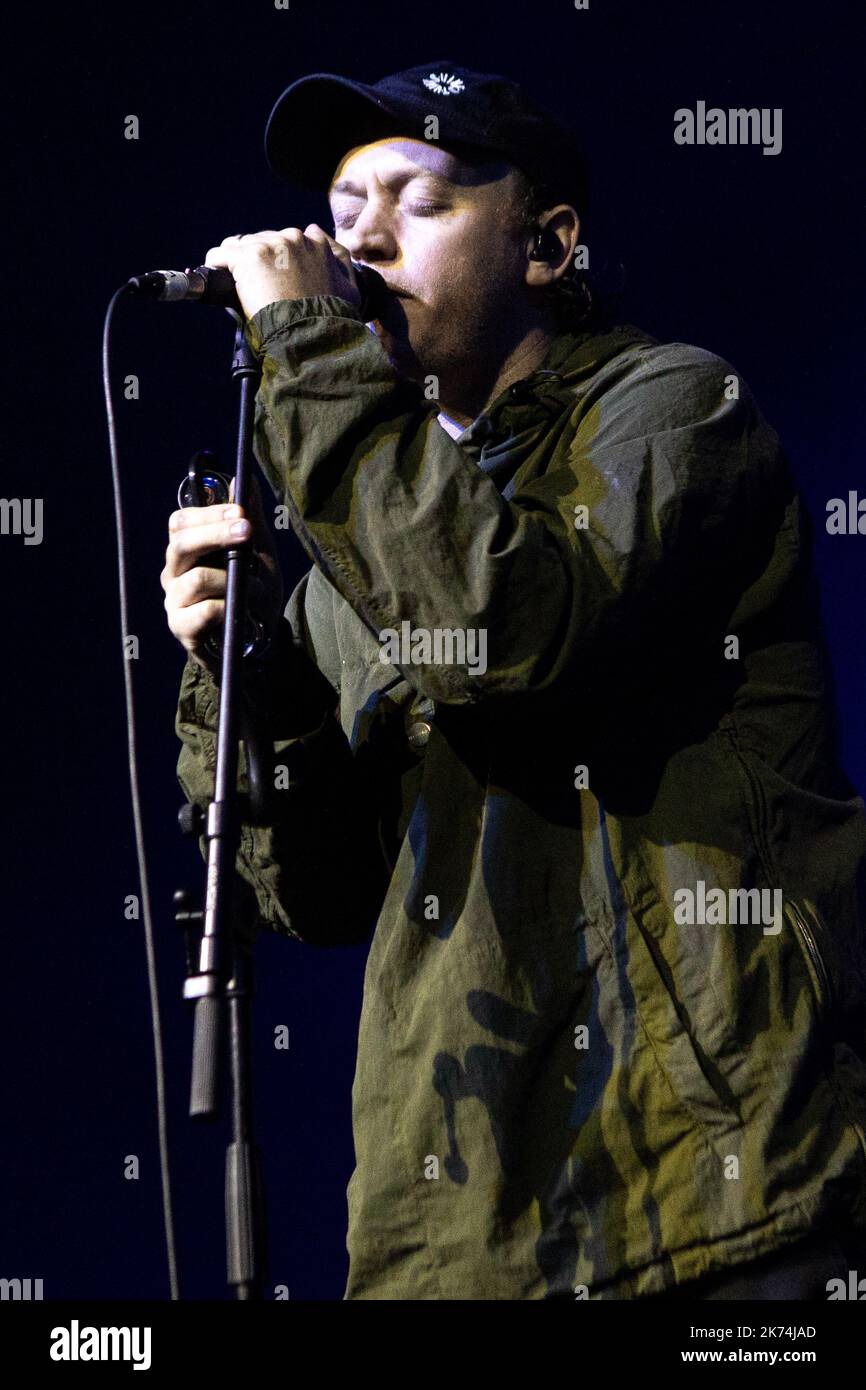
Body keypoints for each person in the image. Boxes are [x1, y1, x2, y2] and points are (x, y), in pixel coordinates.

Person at [160, 60, 866, 1299]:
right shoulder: (360, 541)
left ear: (544, 244)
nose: (357, 237)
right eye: (340, 209)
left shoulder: (678, 407)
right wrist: (248, 662)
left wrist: (314, 363)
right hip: (462, 1241)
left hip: (711, 1204)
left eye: (414, 199)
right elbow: (318, 892)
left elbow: (505, 626)